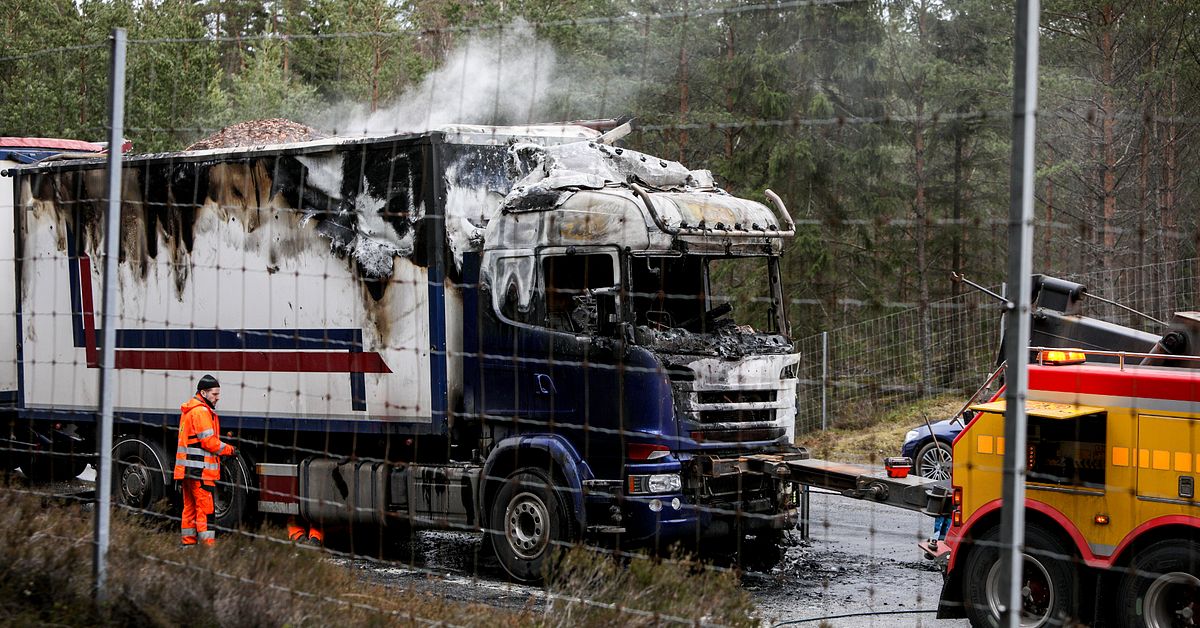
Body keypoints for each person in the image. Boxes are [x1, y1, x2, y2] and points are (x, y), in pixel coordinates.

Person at [174, 374, 236, 547]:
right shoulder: (201, 412)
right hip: (201, 472)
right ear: (203, 393)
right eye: (214, 394)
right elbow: (208, 442)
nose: (217, 398)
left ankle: (188, 545)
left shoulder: (190, 410)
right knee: (206, 510)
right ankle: (208, 549)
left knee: (189, 509)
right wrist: (230, 450)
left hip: (187, 471)